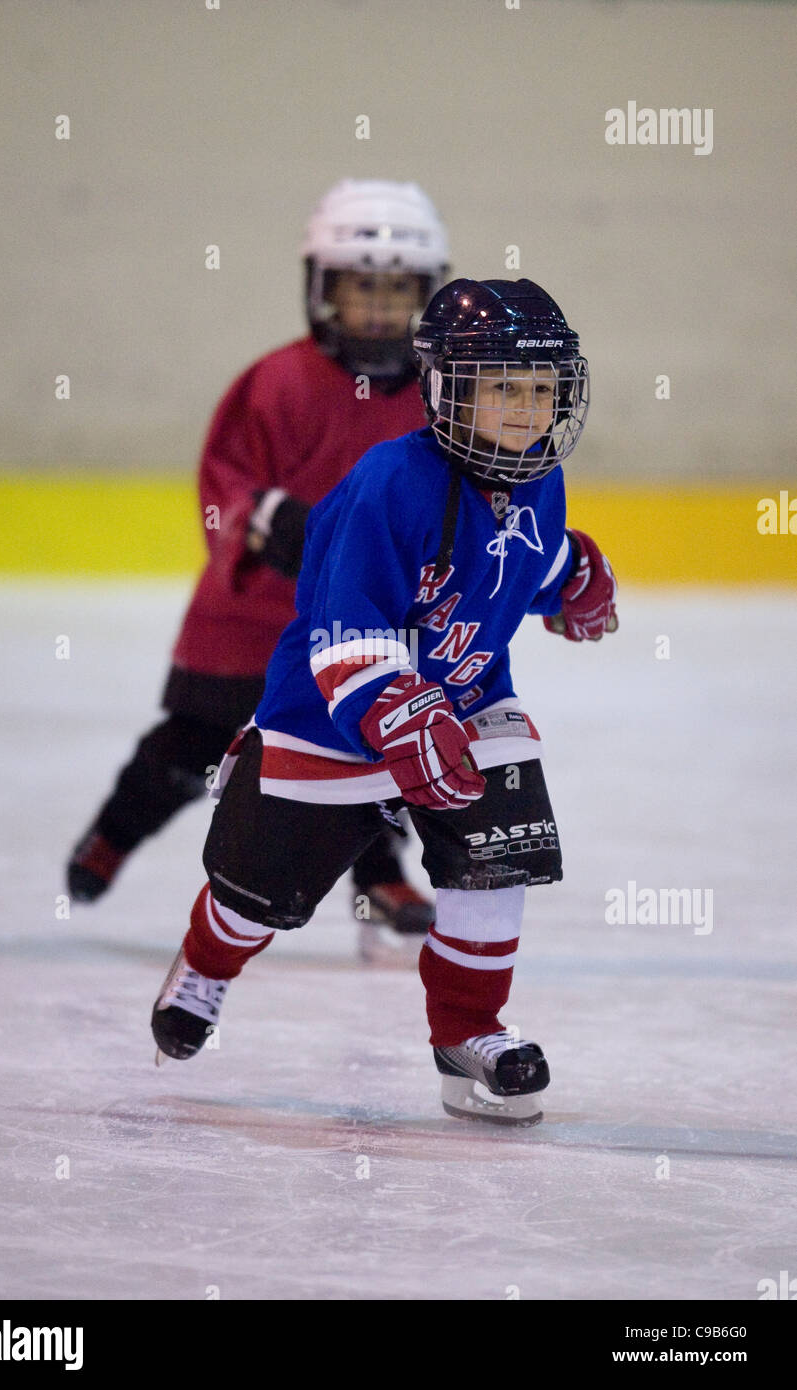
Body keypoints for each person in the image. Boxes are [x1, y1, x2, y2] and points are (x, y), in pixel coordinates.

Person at [149, 276, 619, 1126]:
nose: (526, 410)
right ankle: (205, 966)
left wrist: (570, 576)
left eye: (543, 389)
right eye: (502, 388)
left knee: (496, 863)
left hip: (468, 697)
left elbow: (511, 565)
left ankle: (467, 1037)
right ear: (446, 390)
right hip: (328, 714)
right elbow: (341, 620)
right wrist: (397, 712)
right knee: (261, 894)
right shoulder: (384, 482)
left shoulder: (540, 479)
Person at [66, 180, 450, 958]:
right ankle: (115, 831)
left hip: (363, 624)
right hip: (252, 621)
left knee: (364, 755)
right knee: (188, 746)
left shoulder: (440, 397)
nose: (378, 307)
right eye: (359, 287)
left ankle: (379, 877)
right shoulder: (275, 382)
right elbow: (224, 486)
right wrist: (266, 519)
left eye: (397, 289)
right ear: (321, 290)